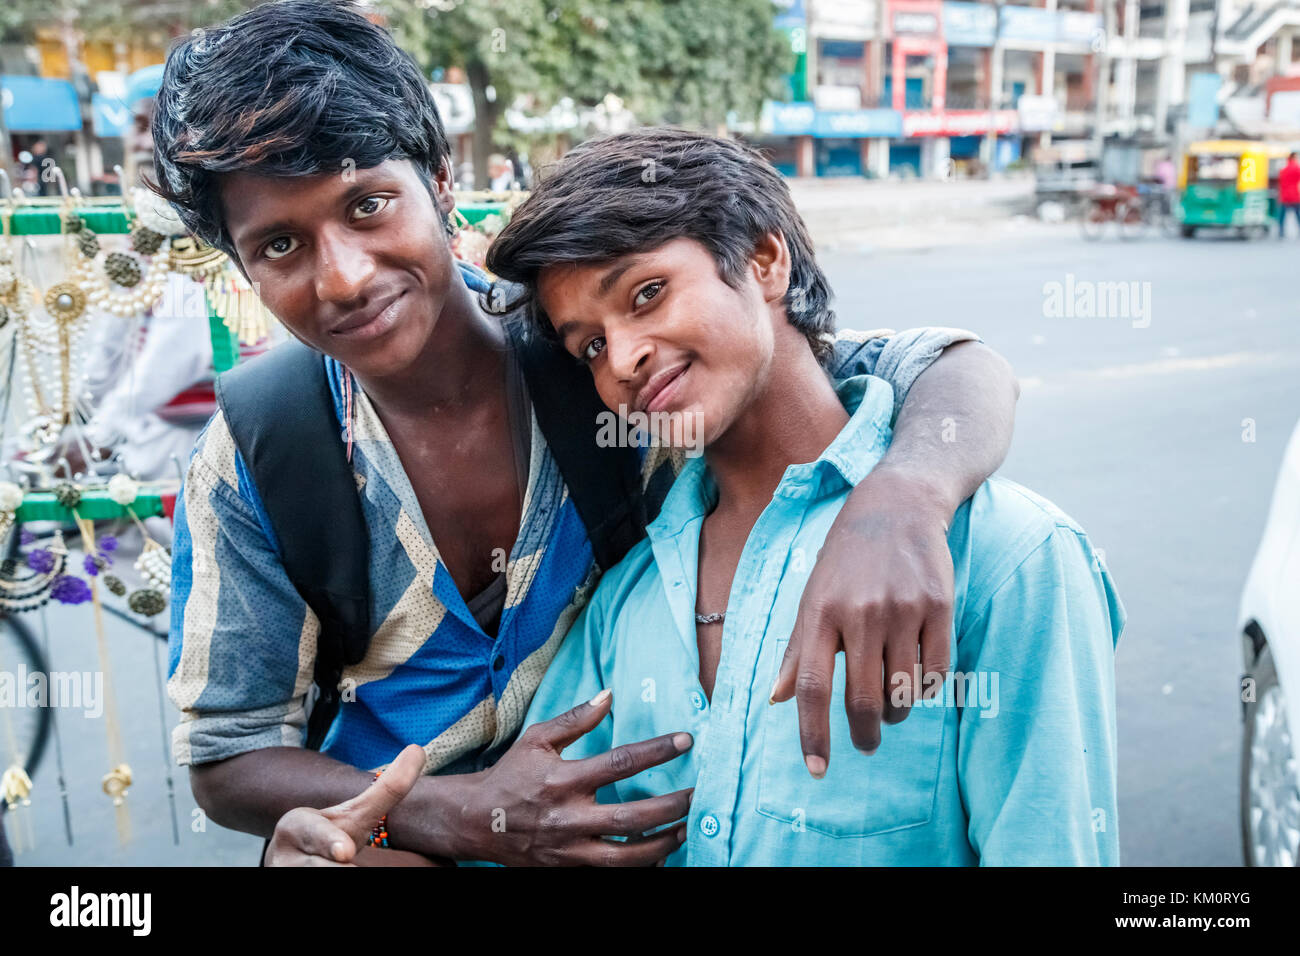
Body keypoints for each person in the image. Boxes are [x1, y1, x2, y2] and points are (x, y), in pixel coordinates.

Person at [153, 0, 1020, 866]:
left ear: (441, 182)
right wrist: (451, 814)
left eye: (369, 205)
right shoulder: (255, 455)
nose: (341, 276)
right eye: (278, 247)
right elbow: (227, 758)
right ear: (239, 268)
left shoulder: (594, 352)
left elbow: (934, 368)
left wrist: (905, 497)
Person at [482, 128, 1124, 865]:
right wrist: (371, 829)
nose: (623, 359)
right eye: (590, 346)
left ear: (764, 259)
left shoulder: (1005, 557)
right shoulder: (630, 597)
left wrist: (905, 499)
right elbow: (523, 824)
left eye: (647, 293)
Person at [1278, 152, 1300, 239]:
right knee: (1298, 215)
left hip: (1285, 196)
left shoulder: (1284, 169)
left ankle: (1281, 232)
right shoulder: (1297, 169)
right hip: (1295, 196)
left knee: (1282, 216)